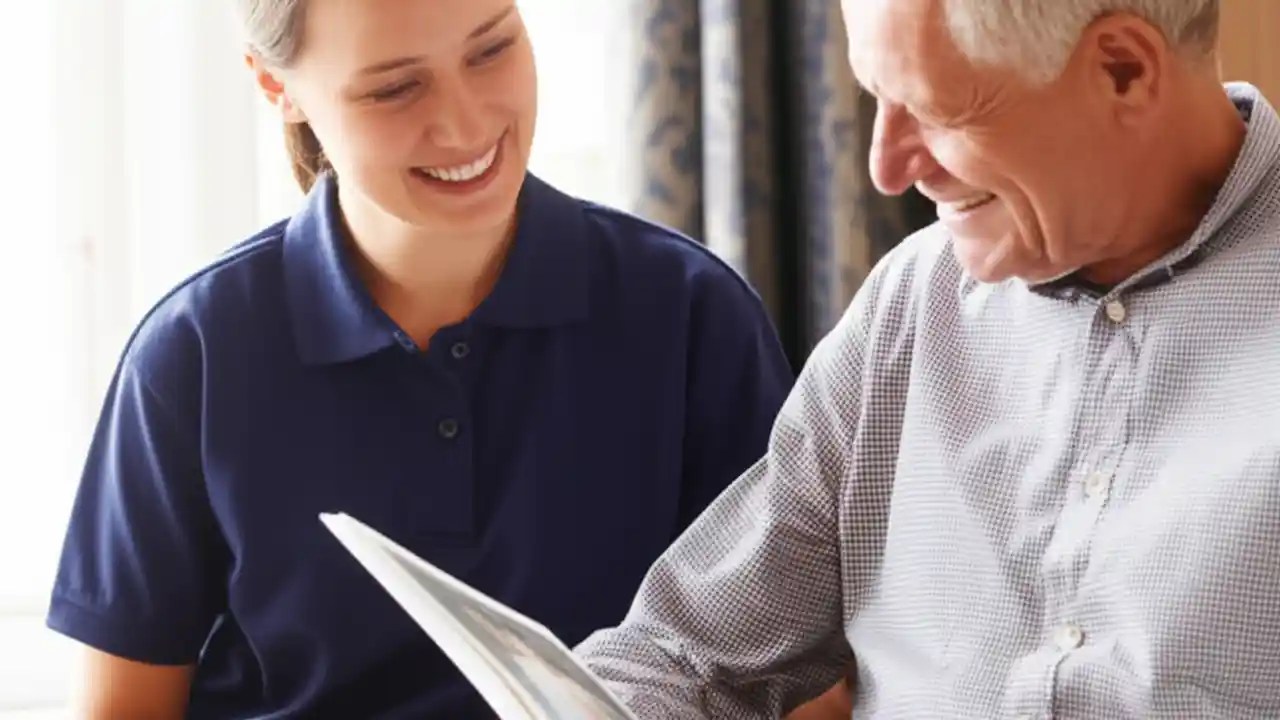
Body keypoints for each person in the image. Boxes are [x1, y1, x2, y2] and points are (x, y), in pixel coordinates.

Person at [45, 0, 794, 717]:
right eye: (395, 88)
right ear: (278, 86)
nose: (466, 124)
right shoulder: (192, 356)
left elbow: (799, 690)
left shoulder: (691, 313)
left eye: (492, 47)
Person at [576, 0, 1280, 717]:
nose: (886, 167)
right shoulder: (912, 301)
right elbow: (684, 657)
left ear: (1122, 70)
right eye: (877, 98)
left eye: (936, 111)